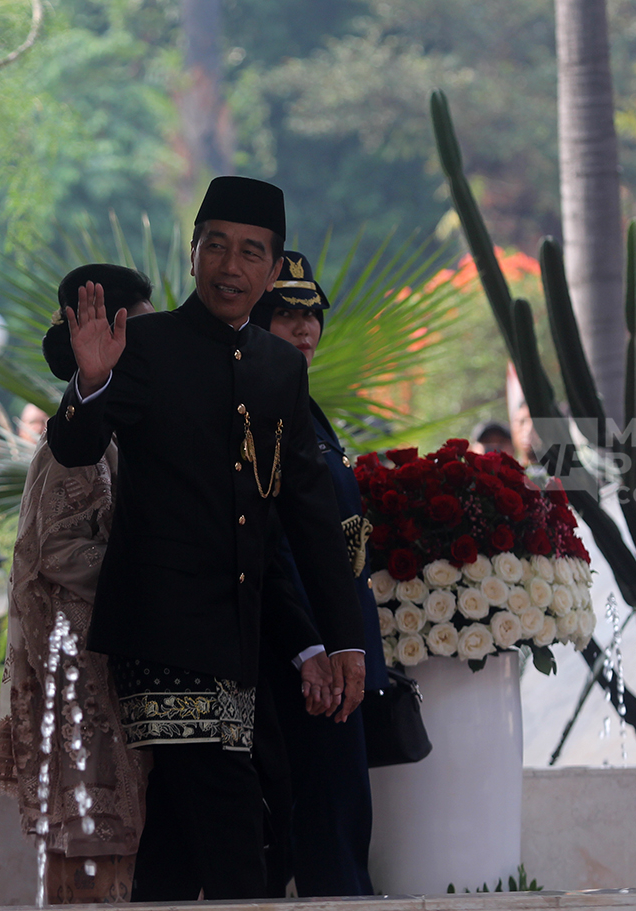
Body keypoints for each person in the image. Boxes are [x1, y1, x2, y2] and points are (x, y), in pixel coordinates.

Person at [47, 176, 366, 901]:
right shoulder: (146, 344)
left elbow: (307, 511)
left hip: (237, 637)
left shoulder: (280, 365)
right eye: (215, 246)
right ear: (192, 254)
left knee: (182, 840)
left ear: (272, 265)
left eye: (251, 252)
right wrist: (91, 383)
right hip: (160, 633)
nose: (231, 266)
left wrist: (342, 636)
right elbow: (75, 447)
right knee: (229, 822)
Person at [0, 264, 155, 904]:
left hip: (114, 671)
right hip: (90, 682)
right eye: (140, 332)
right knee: (98, 863)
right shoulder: (77, 439)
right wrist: (152, 575)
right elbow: (55, 551)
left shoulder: (128, 427)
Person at [249, 251, 387, 897]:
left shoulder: (305, 405)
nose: (304, 328)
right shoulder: (258, 411)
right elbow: (271, 545)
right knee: (319, 830)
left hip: (340, 645)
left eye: (312, 314)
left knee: (342, 823)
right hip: (301, 658)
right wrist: (313, 644)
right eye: (285, 313)